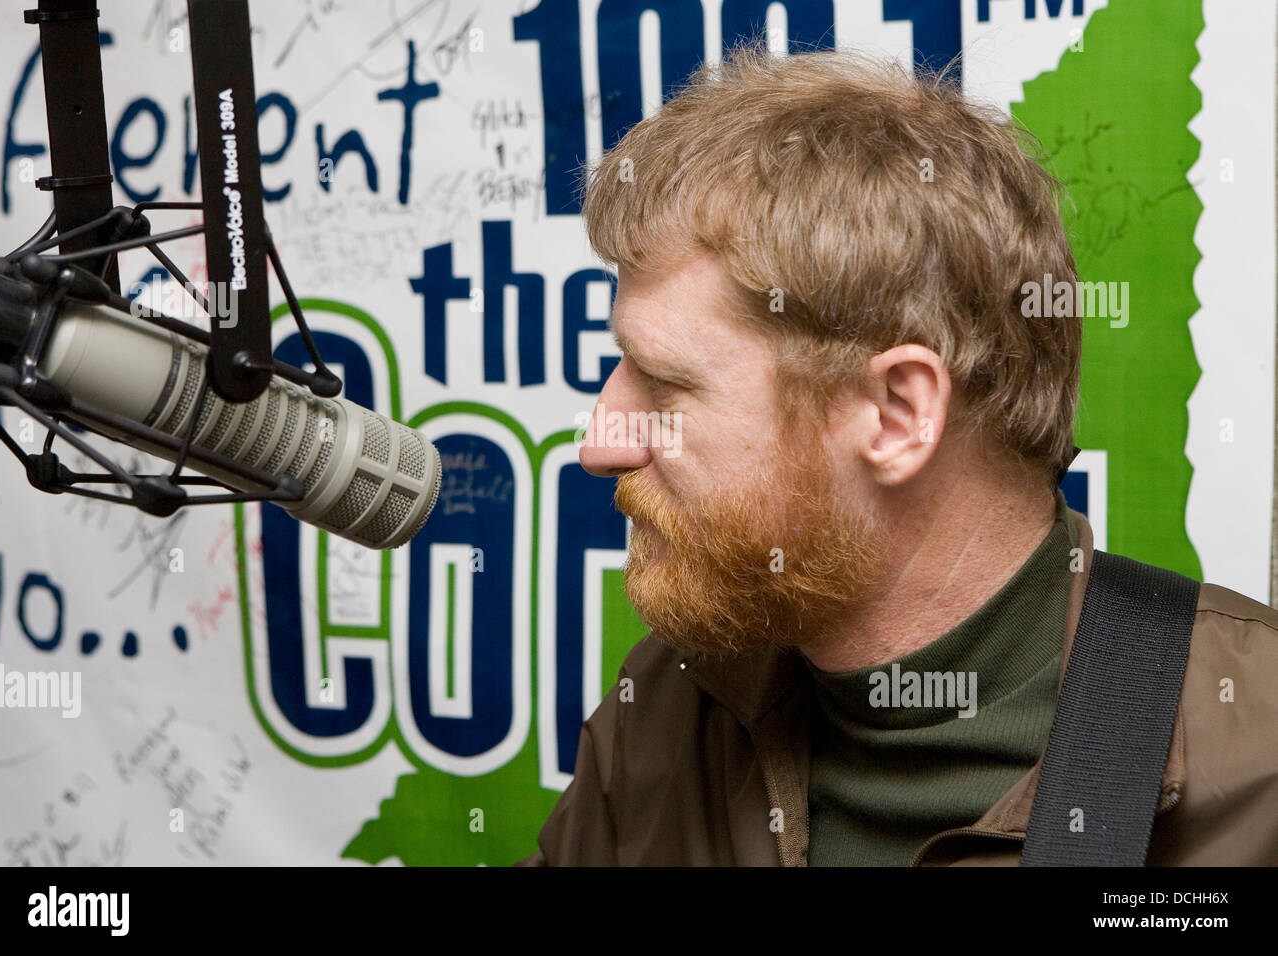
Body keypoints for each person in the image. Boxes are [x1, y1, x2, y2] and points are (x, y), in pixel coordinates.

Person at [517, 44, 1278, 866]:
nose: (599, 443)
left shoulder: (1255, 760)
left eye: (665, 386)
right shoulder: (673, 704)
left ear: (897, 414)